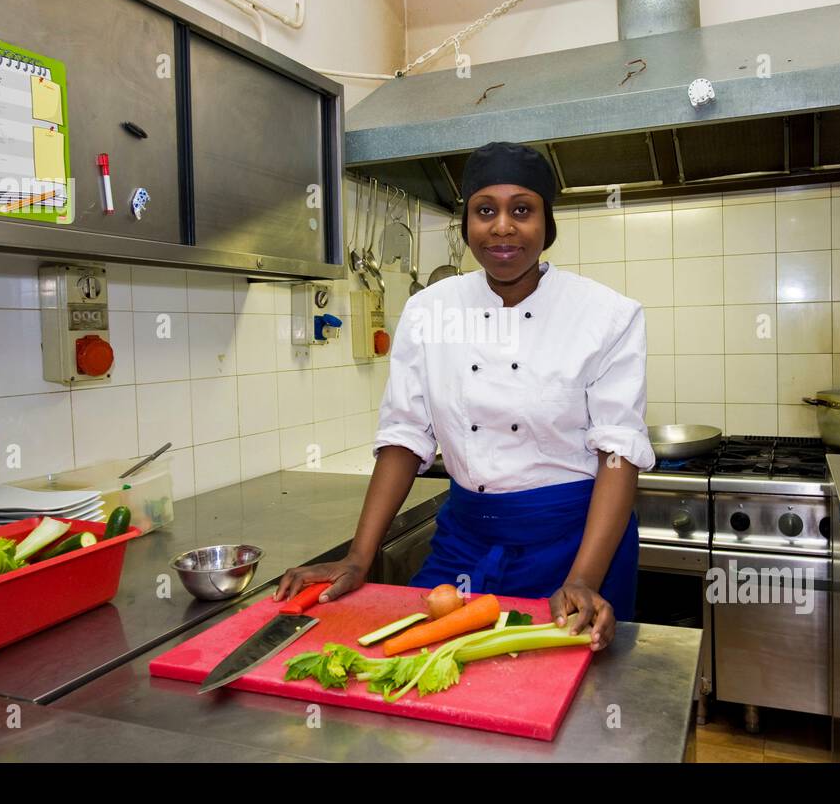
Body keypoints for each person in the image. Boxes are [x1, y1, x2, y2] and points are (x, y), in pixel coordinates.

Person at [274, 141, 654, 650]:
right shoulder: (428, 310)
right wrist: (360, 557)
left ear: (547, 224)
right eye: (484, 211)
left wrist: (584, 577)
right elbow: (405, 435)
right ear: (466, 224)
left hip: (574, 541)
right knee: (427, 669)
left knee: (569, 700)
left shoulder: (607, 315)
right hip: (466, 537)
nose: (502, 227)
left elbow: (618, 451)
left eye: (522, 209)